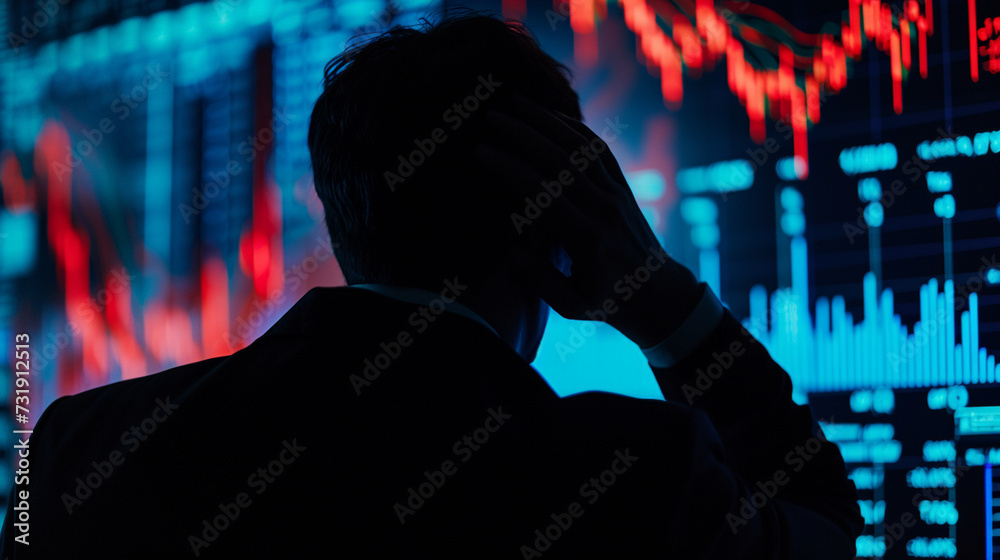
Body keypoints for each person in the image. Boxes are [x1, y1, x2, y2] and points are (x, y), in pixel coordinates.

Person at [1, 13, 862, 559]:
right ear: (552, 225)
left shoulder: (76, 446)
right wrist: (659, 296)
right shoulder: (634, 480)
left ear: (343, 215)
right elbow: (822, 522)